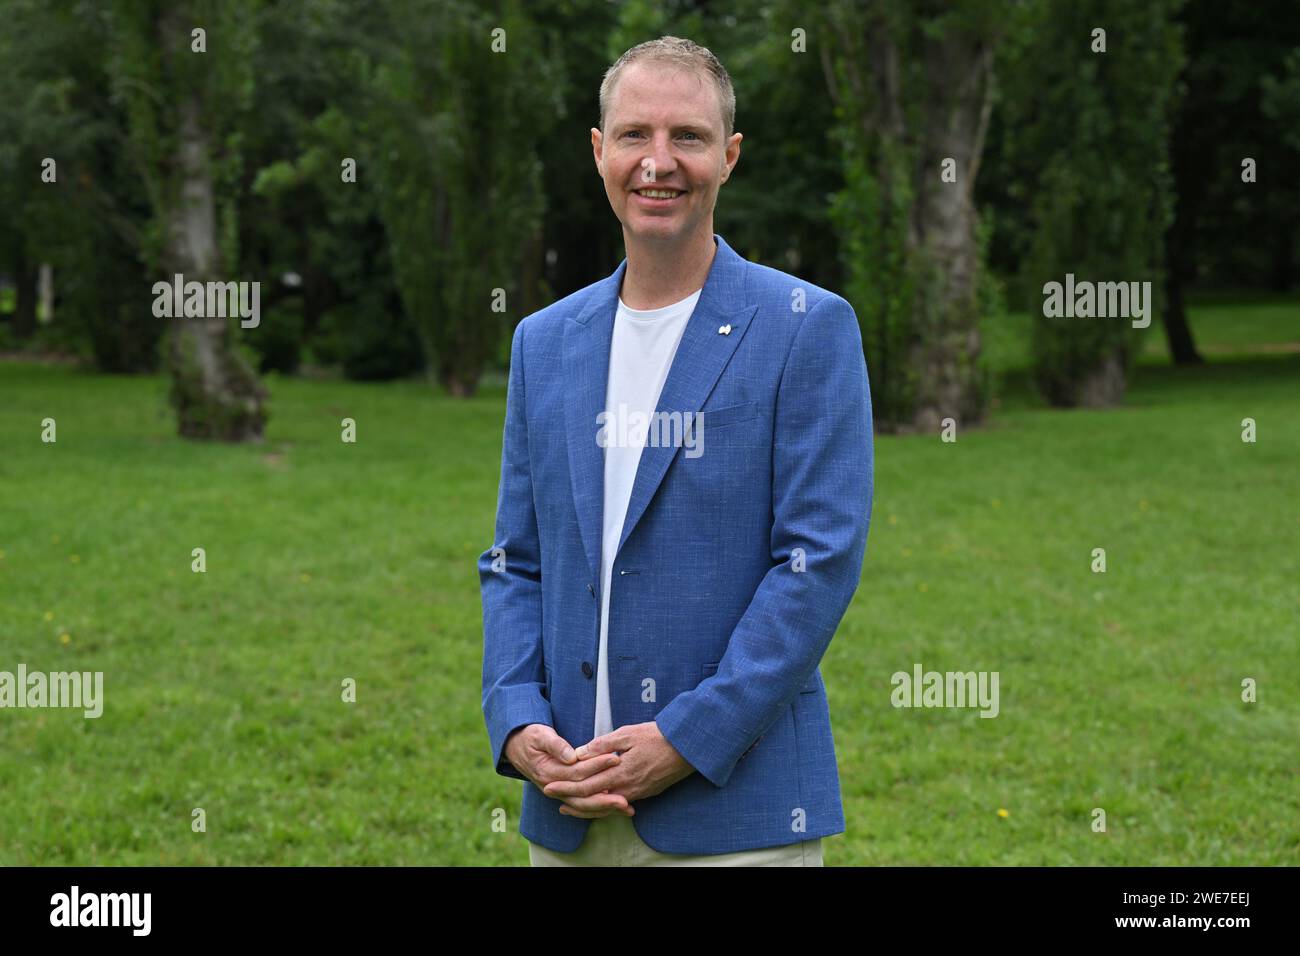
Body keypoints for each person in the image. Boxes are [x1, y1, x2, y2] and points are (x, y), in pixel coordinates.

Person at [479, 36, 873, 866]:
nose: (658, 162)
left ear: (728, 157)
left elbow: (817, 562)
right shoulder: (543, 343)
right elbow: (517, 560)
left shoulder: (807, 327)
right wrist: (516, 718)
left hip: (738, 815)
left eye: (687, 137)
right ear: (599, 152)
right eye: (634, 135)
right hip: (569, 808)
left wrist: (687, 738)